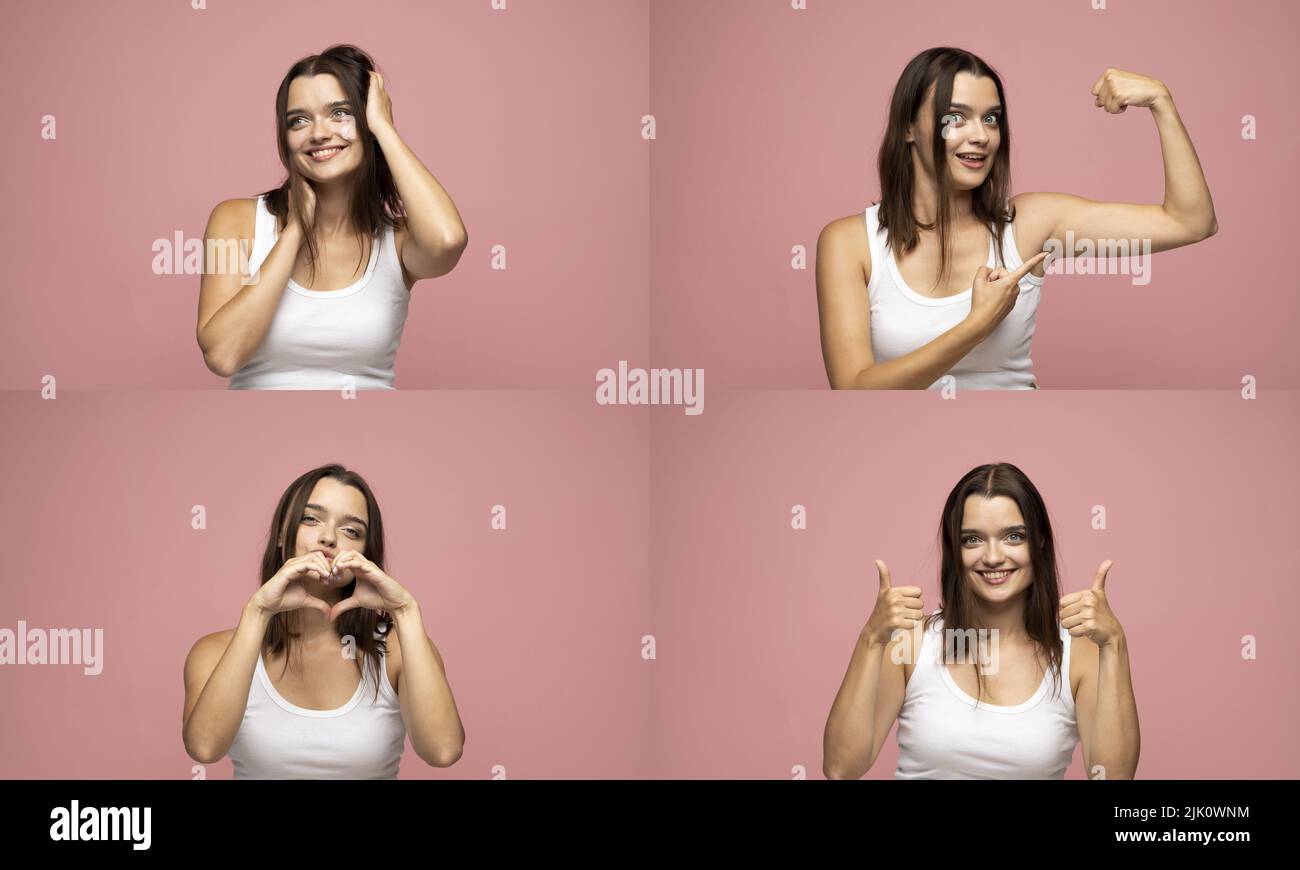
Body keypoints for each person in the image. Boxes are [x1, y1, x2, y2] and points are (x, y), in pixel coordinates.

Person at [816, 47, 1217, 389]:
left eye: (991, 118)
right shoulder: (849, 243)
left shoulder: (1028, 225)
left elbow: (1191, 222)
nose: (981, 136)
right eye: (955, 117)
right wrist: (977, 325)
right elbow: (853, 387)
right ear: (907, 127)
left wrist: (1161, 102)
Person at [822, 462, 1140, 779]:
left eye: (1013, 536)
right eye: (972, 539)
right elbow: (840, 769)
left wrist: (1115, 643)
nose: (992, 557)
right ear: (954, 549)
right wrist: (872, 639)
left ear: (1040, 542)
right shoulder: (912, 644)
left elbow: (1113, 778)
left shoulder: (1078, 655)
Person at [196, 44, 468, 389]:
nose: (319, 133)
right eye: (299, 120)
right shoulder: (234, 220)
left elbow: (448, 241)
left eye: (340, 113)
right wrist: (295, 232)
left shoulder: (398, 243)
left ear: (367, 121)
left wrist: (385, 129)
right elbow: (222, 355)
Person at [182, 464, 465, 778]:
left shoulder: (398, 650)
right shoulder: (213, 651)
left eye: (351, 531)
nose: (329, 538)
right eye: (311, 519)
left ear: (365, 554)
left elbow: (443, 751)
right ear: (280, 536)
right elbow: (204, 748)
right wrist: (258, 611)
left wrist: (406, 611)